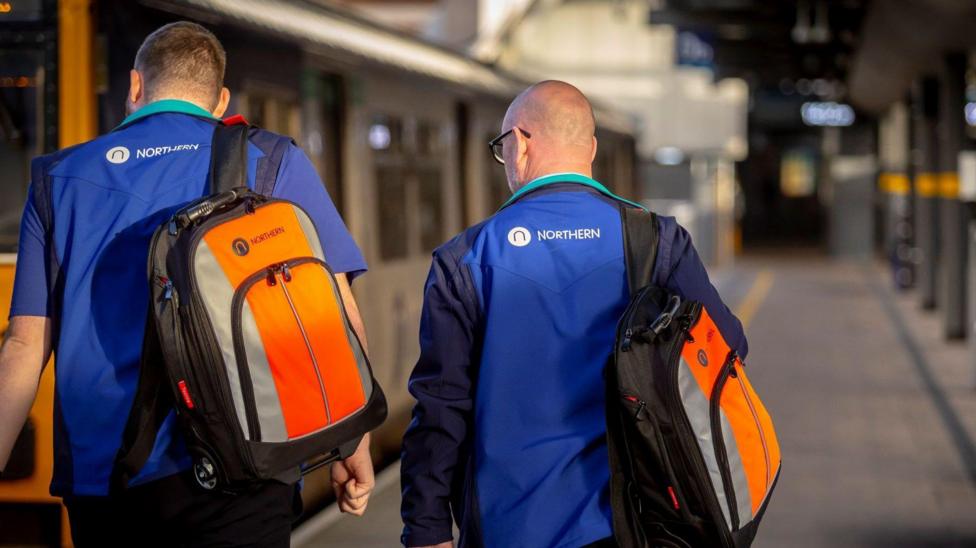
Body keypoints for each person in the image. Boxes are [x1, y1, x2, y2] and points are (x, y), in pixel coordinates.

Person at [0, 22, 374, 547]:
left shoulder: (57, 178)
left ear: (135, 87)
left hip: (106, 477)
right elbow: (329, 310)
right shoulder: (269, 160)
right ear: (220, 100)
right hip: (246, 458)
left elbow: (24, 344)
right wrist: (350, 442)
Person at [399, 81, 748, 548]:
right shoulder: (657, 240)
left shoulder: (466, 257)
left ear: (520, 144)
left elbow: (441, 406)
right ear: (592, 148)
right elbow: (728, 350)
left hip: (509, 527)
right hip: (640, 524)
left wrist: (427, 527)